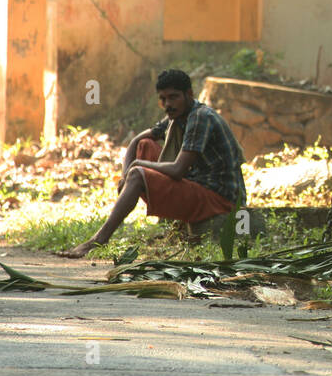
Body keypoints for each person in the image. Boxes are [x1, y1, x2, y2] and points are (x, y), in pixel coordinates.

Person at [58, 69, 247, 258]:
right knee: (145, 146)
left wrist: (137, 168)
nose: (168, 104)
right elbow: (136, 142)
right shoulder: (177, 115)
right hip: (198, 184)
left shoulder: (200, 117)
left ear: (189, 94)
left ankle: (97, 241)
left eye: (173, 97)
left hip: (220, 200)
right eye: (163, 99)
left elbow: (178, 170)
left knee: (139, 173)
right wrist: (126, 175)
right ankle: (165, 218)